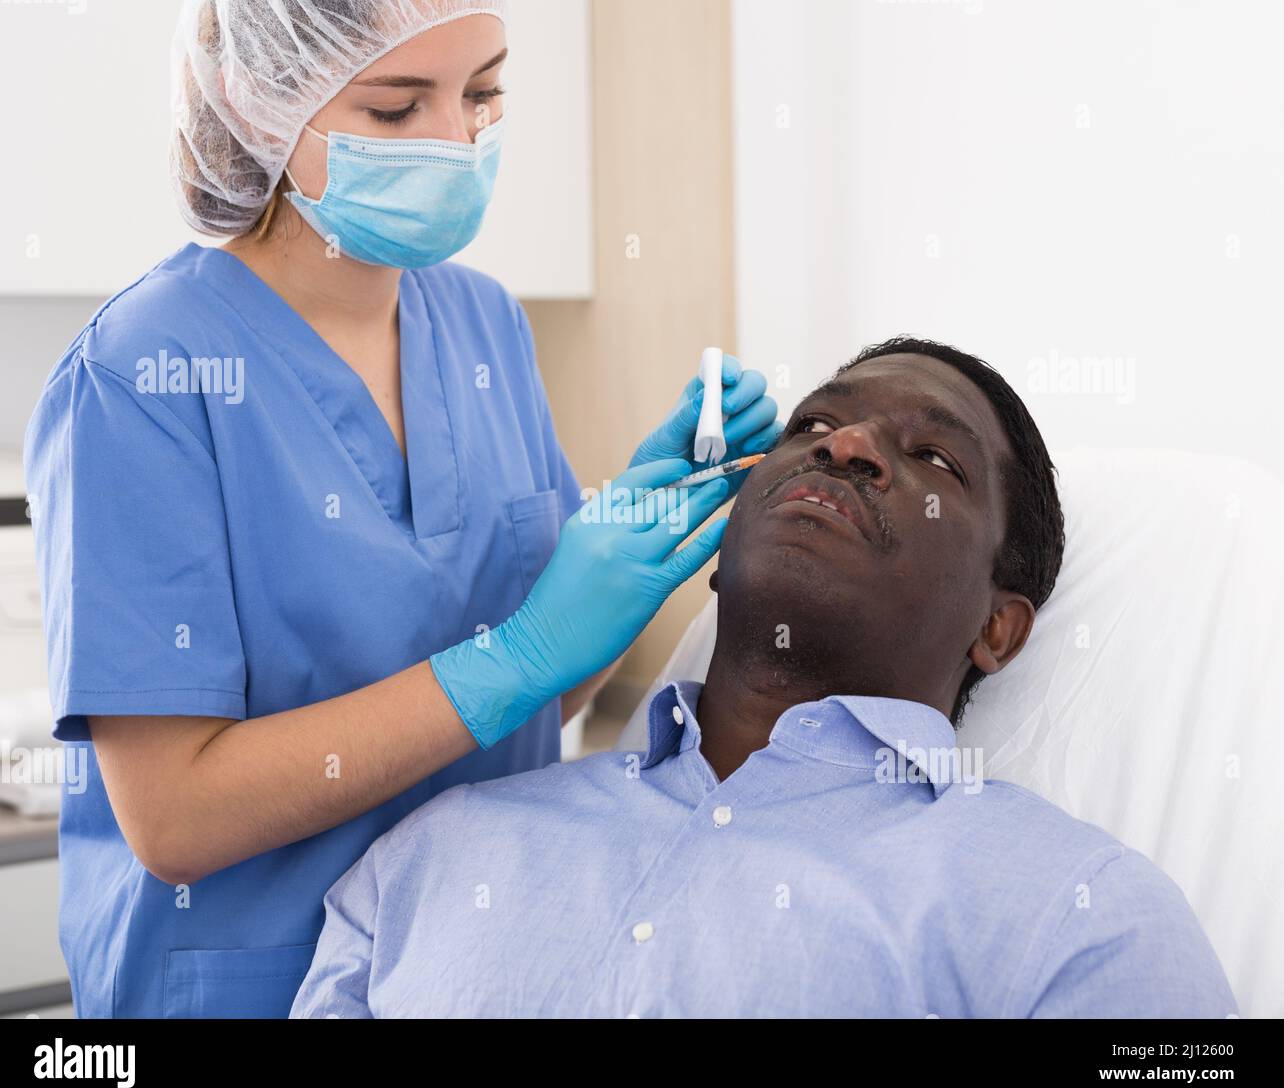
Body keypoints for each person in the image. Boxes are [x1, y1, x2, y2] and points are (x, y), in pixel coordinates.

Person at [21, 0, 780, 1018]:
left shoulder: (483, 325)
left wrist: (631, 548)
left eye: (482, 92)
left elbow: (532, 700)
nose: (456, 144)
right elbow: (175, 817)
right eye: (394, 107)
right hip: (249, 988)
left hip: (470, 971)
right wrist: (510, 655)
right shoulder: (142, 378)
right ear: (261, 101)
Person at [290, 337, 1237, 1019]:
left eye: (933, 457)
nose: (845, 446)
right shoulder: (428, 862)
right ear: (713, 542)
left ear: (998, 627)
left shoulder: (1079, 917)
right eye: (814, 424)